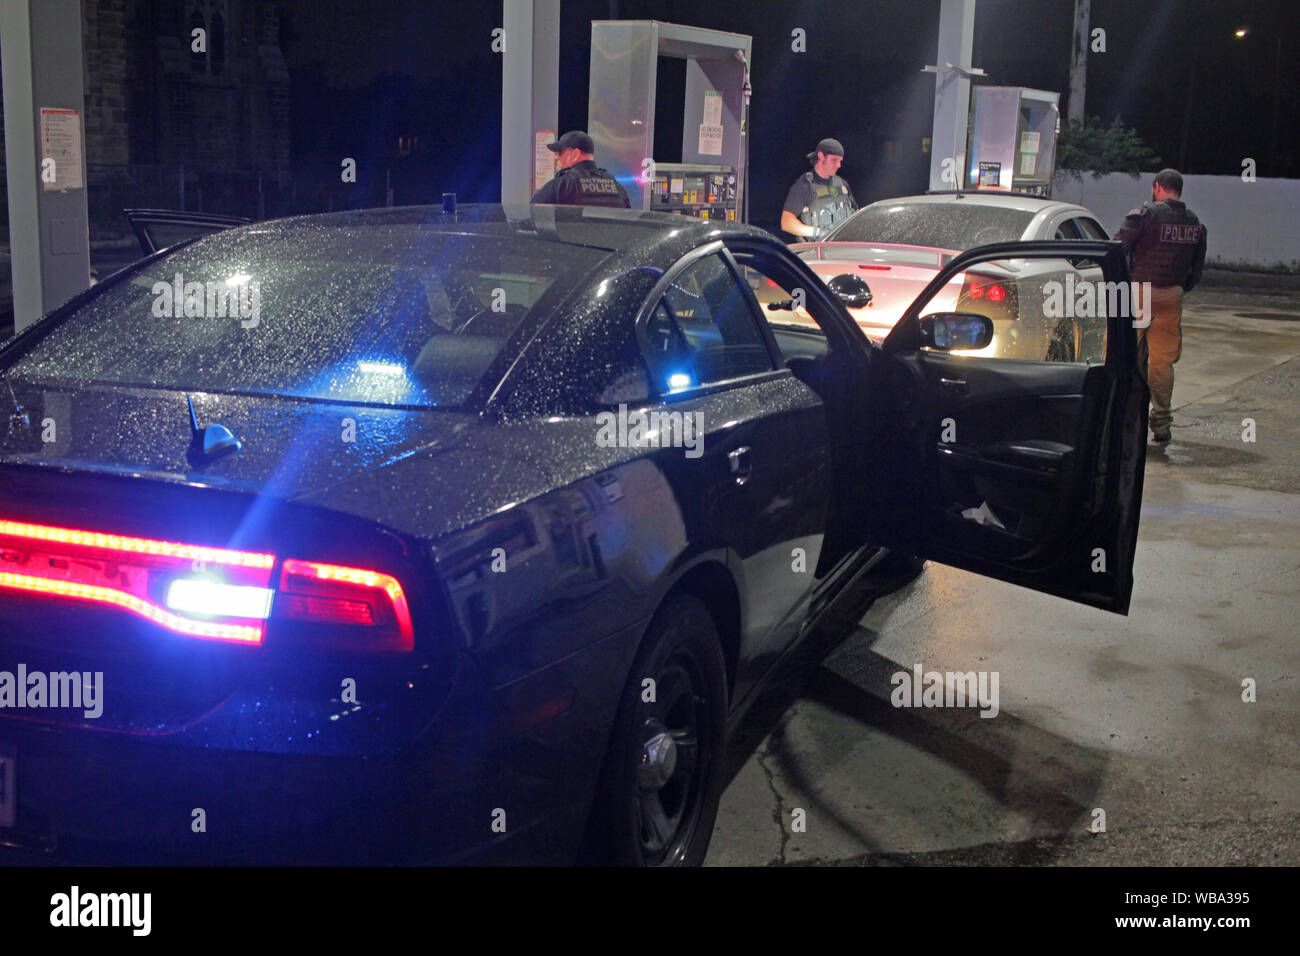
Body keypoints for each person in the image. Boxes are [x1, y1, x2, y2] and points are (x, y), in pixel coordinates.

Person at [1114, 168, 1208, 444]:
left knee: (1127, 355)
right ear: (1179, 190)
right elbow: (1197, 269)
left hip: (1139, 291)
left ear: (1157, 187)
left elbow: (1118, 246)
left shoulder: (1145, 214)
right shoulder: (1194, 223)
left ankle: (1124, 419)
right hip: (1172, 296)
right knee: (1162, 364)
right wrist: (1180, 289)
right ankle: (1162, 424)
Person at [780, 138, 858, 241]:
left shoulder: (842, 184)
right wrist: (817, 232)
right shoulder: (804, 186)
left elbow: (856, 213)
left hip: (844, 248)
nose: (839, 165)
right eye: (834, 160)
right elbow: (786, 223)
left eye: (840, 161)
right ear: (821, 156)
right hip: (820, 252)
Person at [530, 130, 630, 208]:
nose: (556, 157)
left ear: (575, 154)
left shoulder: (561, 186)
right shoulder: (617, 188)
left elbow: (531, 216)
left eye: (560, 152)